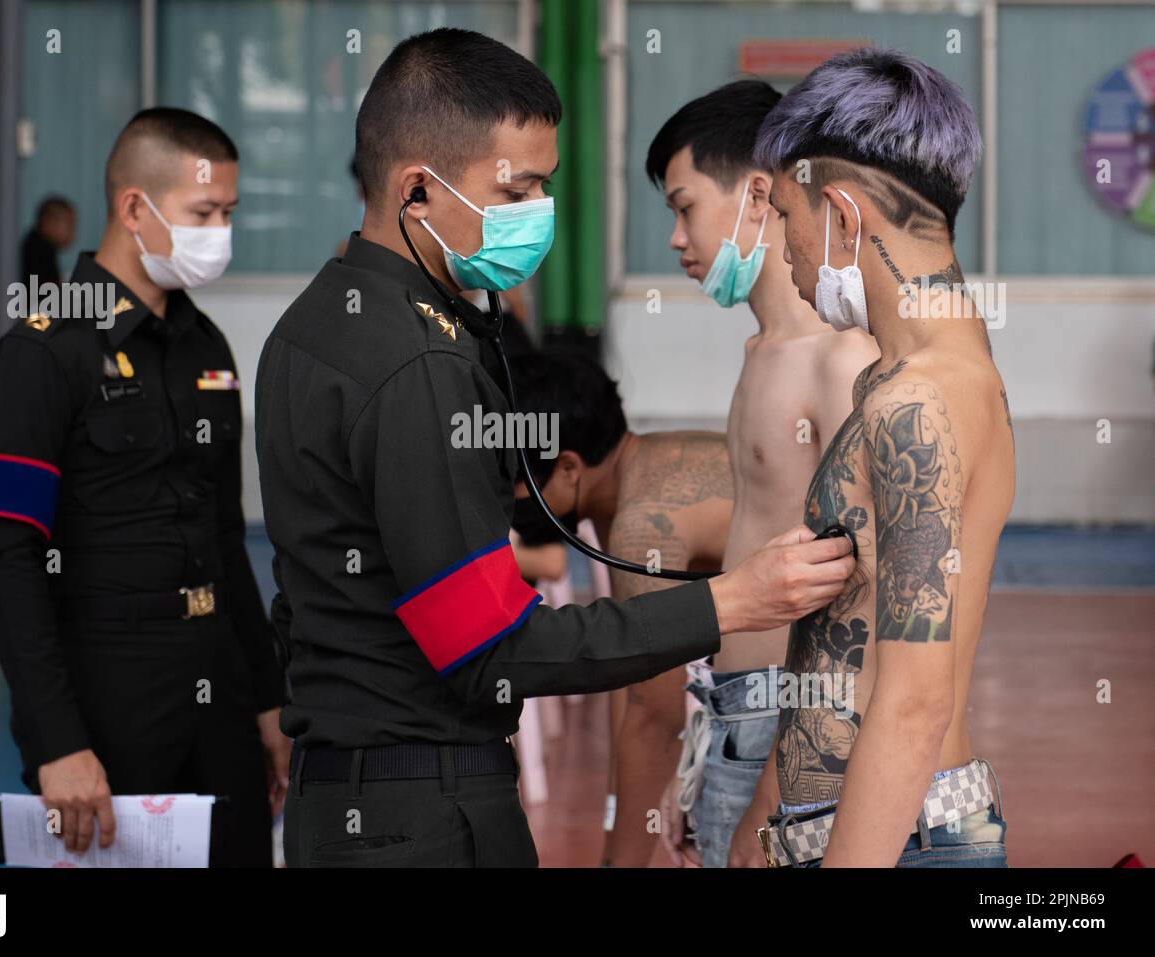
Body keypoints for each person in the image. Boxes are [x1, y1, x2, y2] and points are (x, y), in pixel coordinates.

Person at [255, 27, 855, 868]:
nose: (537, 213)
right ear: (416, 191)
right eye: (518, 189)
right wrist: (727, 602)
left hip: (345, 798)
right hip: (425, 814)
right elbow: (489, 651)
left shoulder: (310, 327)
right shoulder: (416, 364)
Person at [0, 107, 290, 866]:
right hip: (107, 697)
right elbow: (11, 561)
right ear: (135, 207)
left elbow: (222, 535)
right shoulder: (39, 356)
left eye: (228, 214)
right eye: (203, 213)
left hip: (219, 690)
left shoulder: (205, 348)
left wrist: (270, 696)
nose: (220, 233)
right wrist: (58, 742)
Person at [739, 47, 1015, 867]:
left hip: (896, 838)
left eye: (789, 217)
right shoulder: (946, 368)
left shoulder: (911, 404)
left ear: (844, 216)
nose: (784, 251)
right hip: (903, 830)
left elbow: (914, 702)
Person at [636, 80, 877, 869]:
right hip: (733, 715)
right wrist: (698, 765)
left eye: (685, 206)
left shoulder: (838, 360)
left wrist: (774, 796)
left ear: (759, 195)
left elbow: (860, 605)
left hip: (792, 731)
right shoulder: (759, 356)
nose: (676, 237)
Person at [505, 350, 735, 868]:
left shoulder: (638, 522)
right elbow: (626, 673)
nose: (515, 503)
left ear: (568, 467)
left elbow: (654, 712)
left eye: (521, 489)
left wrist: (618, 862)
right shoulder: (635, 473)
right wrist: (614, 814)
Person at [20, 195, 77, 288]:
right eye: (70, 224)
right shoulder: (41, 254)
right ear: (50, 223)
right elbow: (49, 297)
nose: (73, 233)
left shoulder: (32, 246)